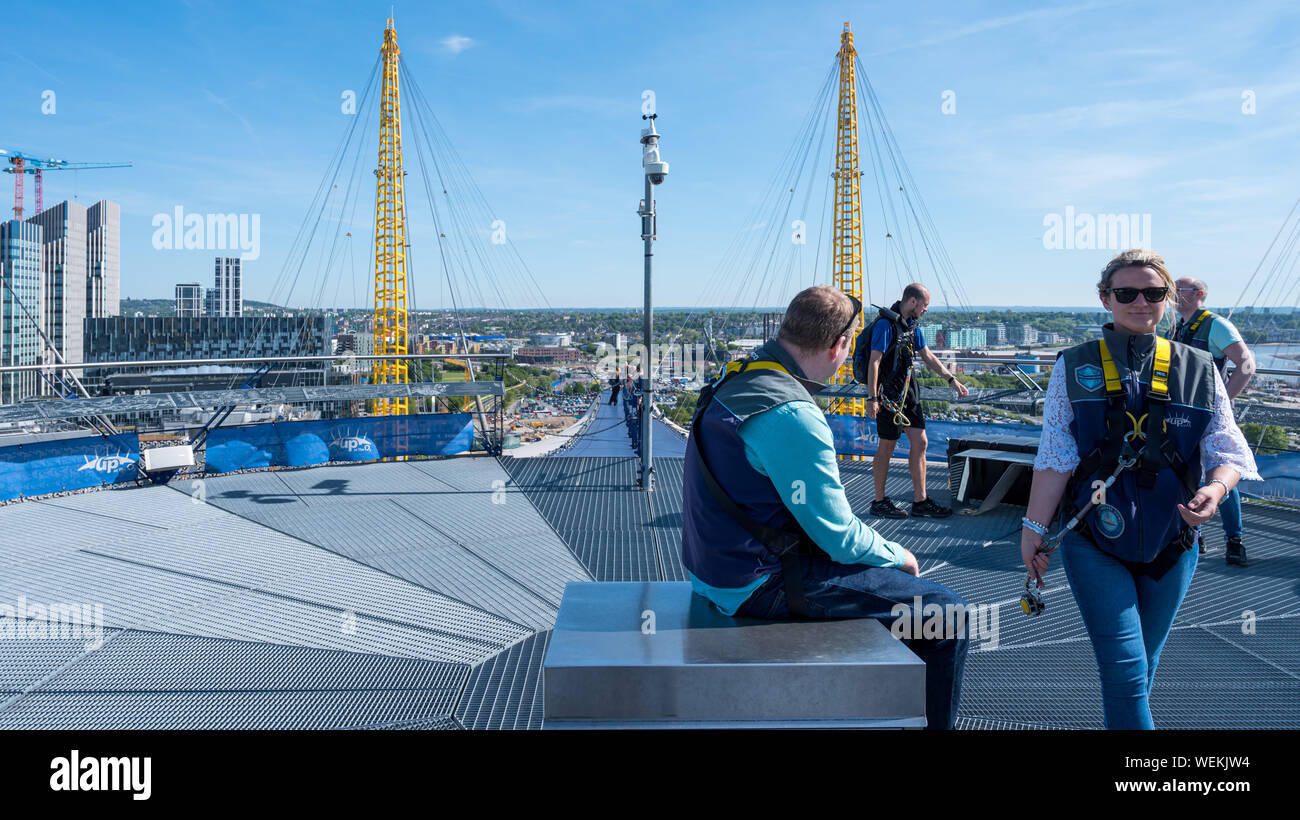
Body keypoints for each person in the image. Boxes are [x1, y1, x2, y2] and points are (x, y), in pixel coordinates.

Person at [682, 284, 969, 729]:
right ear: (840, 345)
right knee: (946, 615)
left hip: (712, 571)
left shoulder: (735, 378)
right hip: (758, 583)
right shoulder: (791, 413)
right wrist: (901, 556)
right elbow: (837, 535)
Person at [1022, 250, 1260, 729]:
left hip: (1173, 543)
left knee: (1141, 671)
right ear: (1106, 299)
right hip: (1096, 540)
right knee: (1127, 674)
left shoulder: (1198, 368)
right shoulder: (1072, 366)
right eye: (1126, 293)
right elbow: (1056, 457)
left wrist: (1215, 490)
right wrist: (1033, 529)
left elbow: (1228, 451)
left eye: (1153, 293)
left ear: (1168, 298)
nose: (1139, 302)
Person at [855, 283, 970, 519]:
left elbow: (927, 355)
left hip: (908, 391)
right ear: (913, 302)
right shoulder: (886, 325)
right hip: (888, 395)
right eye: (925, 305)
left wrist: (951, 380)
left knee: (921, 443)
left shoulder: (912, 326)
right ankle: (879, 501)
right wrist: (872, 398)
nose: (926, 310)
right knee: (886, 447)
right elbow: (874, 362)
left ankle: (921, 501)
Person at [1168, 276, 1257, 566]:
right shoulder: (1176, 326)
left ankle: (1234, 540)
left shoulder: (1215, 325)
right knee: (1190, 471)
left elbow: (1246, 364)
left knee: (1220, 473)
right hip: (1182, 412)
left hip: (1206, 413)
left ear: (1199, 294)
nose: (1172, 294)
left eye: (1177, 289)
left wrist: (1224, 404)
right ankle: (1196, 532)